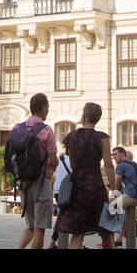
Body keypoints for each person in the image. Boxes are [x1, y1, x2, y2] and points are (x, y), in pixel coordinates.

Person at [54, 102, 116, 250]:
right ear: (98, 119)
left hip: (76, 188)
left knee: (77, 233)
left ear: (83, 116)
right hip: (95, 187)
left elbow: (70, 158)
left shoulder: (70, 137)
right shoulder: (102, 138)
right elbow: (108, 165)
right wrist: (114, 190)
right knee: (106, 232)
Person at [12, 93, 58, 248]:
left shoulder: (18, 127)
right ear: (44, 108)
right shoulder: (46, 130)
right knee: (40, 228)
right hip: (41, 182)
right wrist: (53, 171)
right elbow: (53, 159)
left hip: (24, 182)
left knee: (31, 225)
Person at [111, 146, 137, 246]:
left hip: (132, 196)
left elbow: (117, 183)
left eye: (115, 155)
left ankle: (108, 239)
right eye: (113, 155)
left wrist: (113, 196)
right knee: (126, 214)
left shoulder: (120, 166)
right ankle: (119, 238)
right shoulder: (134, 163)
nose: (114, 157)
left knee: (110, 207)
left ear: (122, 154)